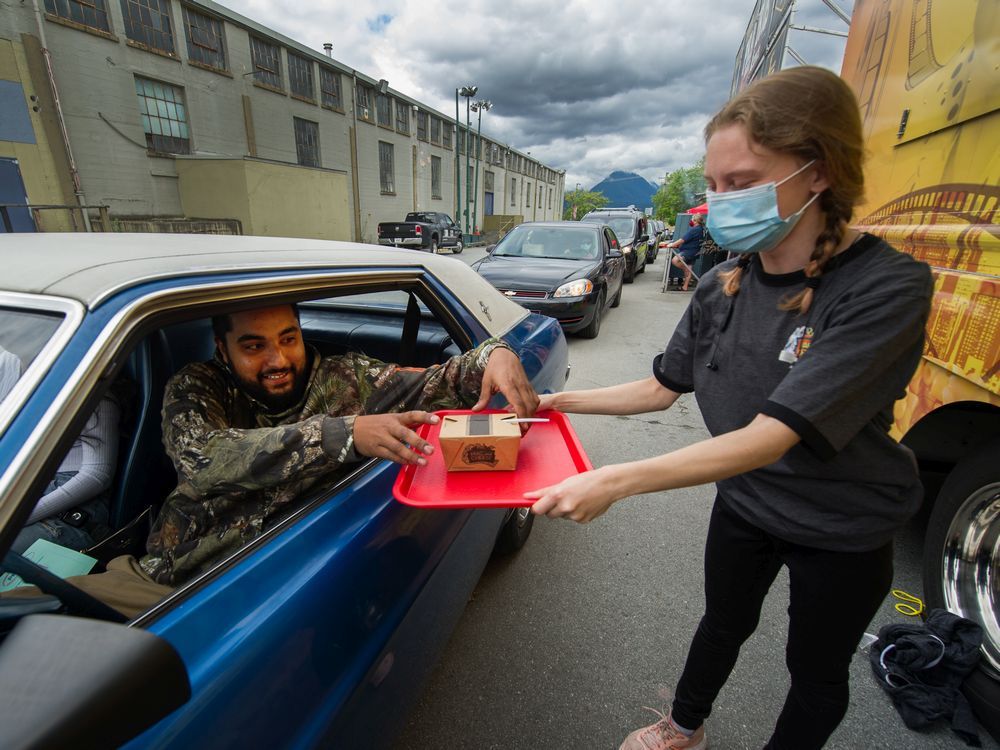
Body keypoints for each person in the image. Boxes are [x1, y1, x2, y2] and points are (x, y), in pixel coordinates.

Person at [524, 66, 933, 750]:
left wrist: (615, 481)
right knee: (722, 623)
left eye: (740, 183)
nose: (719, 203)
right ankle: (682, 728)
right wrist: (555, 400)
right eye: (712, 186)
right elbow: (660, 386)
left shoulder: (886, 287)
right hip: (746, 503)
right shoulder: (722, 285)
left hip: (844, 525)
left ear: (820, 171)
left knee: (815, 669)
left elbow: (773, 435)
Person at [2, 303, 539, 617]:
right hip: (167, 580)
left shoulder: (345, 377)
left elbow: (437, 382)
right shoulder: (196, 387)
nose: (279, 359)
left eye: (288, 339)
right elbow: (204, 460)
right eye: (254, 346)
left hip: (273, 590)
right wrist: (340, 434)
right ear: (222, 348)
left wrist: (493, 354)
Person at [11, 394, 119, 554]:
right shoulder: (29, 391)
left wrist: (17, 517)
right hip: (30, 491)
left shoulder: (95, 399)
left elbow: (97, 476)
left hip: (68, 512)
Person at [664, 214, 705, 290]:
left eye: (692, 219)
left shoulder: (695, 229)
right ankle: (685, 287)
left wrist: (672, 244)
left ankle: (688, 272)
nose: (691, 221)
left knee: (675, 260)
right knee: (689, 266)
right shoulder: (701, 229)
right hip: (694, 252)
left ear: (696, 221)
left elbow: (683, 239)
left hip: (689, 251)